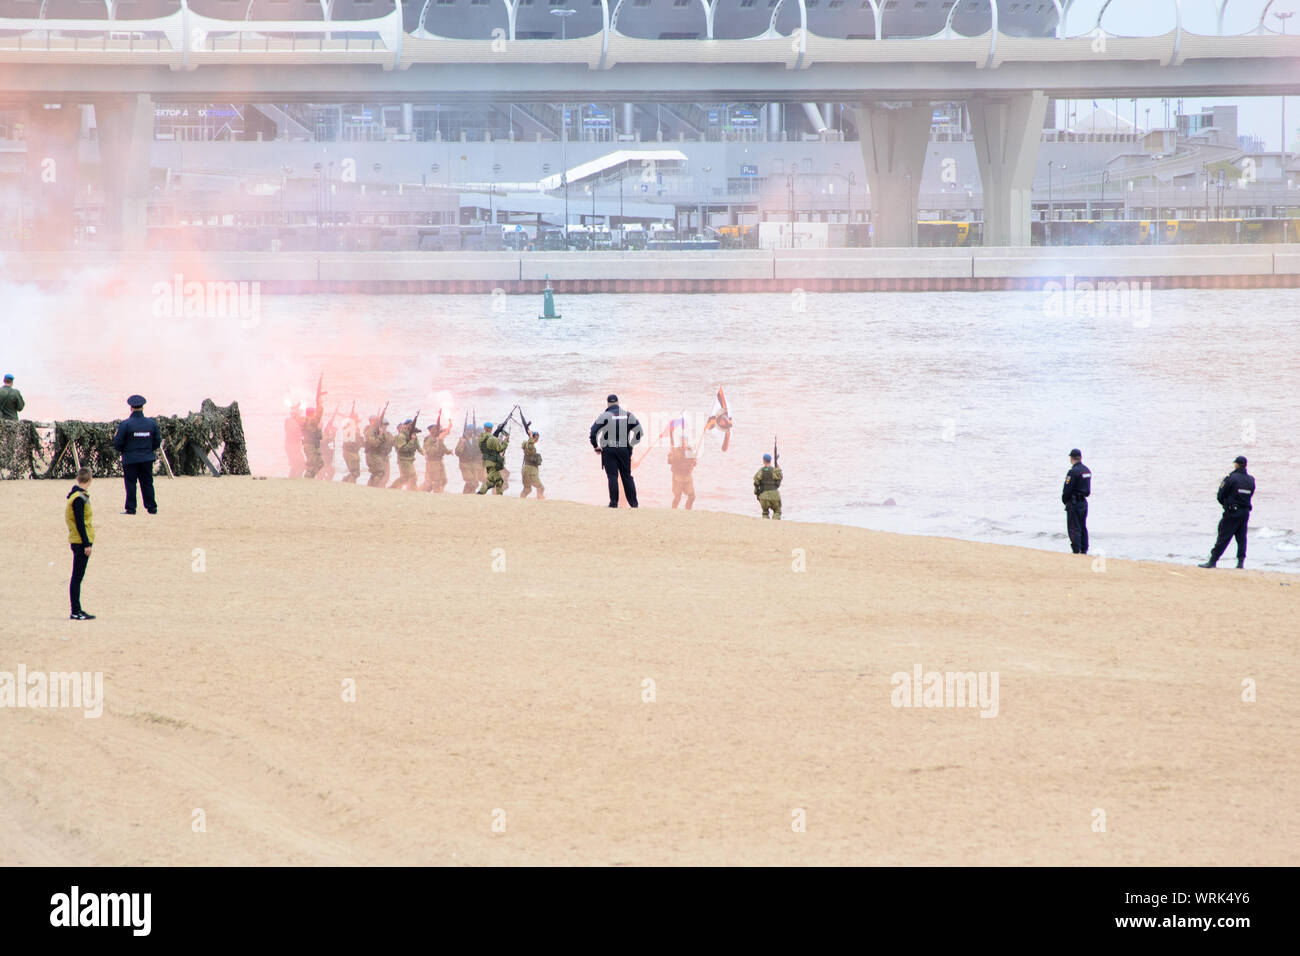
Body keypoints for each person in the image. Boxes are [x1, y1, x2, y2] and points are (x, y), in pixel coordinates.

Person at [1199, 455, 1255, 569]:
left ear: (1236, 464)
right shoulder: (1251, 479)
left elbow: (1220, 495)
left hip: (1232, 512)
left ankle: (1212, 561)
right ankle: (1240, 563)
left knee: (1223, 536)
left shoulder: (1230, 478)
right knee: (1241, 538)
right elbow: (1250, 494)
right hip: (1245, 513)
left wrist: (1227, 505)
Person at [589, 393, 642, 507]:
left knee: (612, 476)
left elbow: (593, 432)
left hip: (609, 450)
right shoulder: (628, 415)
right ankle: (634, 504)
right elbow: (639, 432)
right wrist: (630, 446)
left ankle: (613, 504)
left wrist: (595, 446)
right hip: (624, 450)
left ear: (608, 403)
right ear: (618, 403)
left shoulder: (604, 416)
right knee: (626, 476)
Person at [111, 394, 161, 515]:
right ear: (142, 408)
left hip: (130, 458)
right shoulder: (151, 424)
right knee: (147, 482)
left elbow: (118, 443)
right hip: (147, 458)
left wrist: (125, 451)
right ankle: (151, 507)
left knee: (130, 483)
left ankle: (131, 508)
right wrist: (148, 450)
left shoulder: (125, 424)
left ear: (131, 408)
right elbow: (157, 442)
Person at [65, 466, 96, 620]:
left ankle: (77, 609)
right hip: (80, 541)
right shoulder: (79, 498)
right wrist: (86, 544)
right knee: (77, 577)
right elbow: (80, 523)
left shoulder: (76, 495)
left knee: (77, 576)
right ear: (90, 480)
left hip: (78, 539)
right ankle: (75, 610)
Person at [1061, 448, 1091, 555]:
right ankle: (1084, 549)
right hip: (1083, 502)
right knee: (1082, 526)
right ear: (1080, 457)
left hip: (1074, 503)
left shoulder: (1073, 472)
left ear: (1071, 458)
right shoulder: (1087, 471)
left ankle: (1076, 550)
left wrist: (1065, 501)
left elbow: (1067, 489)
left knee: (1074, 527)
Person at [476, 422, 509, 495]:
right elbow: (500, 449)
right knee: (490, 481)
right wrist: (505, 442)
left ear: (484, 428)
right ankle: (481, 492)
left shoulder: (481, 439)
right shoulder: (493, 439)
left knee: (499, 481)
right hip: (493, 462)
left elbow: (486, 448)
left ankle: (499, 495)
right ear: (491, 429)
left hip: (486, 461)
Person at [390, 420, 421, 490]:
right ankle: (394, 487)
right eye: (401, 428)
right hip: (403, 460)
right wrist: (411, 441)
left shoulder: (406, 436)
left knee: (412, 477)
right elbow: (402, 448)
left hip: (409, 459)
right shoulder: (398, 437)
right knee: (405, 477)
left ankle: (412, 489)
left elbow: (416, 445)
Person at [364, 414, 392, 488]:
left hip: (382, 456)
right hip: (374, 455)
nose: (385, 426)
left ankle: (374, 487)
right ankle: (374, 487)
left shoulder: (387, 434)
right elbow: (374, 443)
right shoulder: (371, 432)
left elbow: (390, 444)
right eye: (383, 424)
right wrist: (380, 436)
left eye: (386, 425)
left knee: (383, 475)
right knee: (379, 473)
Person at [667, 440, 697, 509]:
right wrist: (672, 455)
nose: (684, 445)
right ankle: (673, 510)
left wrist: (694, 461)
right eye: (683, 443)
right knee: (677, 497)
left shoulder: (690, 451)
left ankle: (688, 509)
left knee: (692, 496)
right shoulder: (675, 451)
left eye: (685, 443)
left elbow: (694, 463)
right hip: (678, 477)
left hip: (687, 477)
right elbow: (669, 461)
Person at [421, 425, 452, 493]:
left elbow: (442, 447)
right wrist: (438, 442)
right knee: (436, 480)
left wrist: (448, 451)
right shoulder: (428, 439)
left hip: (439, 461)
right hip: (432, 462)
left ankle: (437, 491)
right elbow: (430, 451)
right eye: (436, 429)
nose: (439, 431)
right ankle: (435, 492)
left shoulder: (437, 438)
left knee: (444, 480)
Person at [753, 453, 782, 519]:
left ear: (763, 460)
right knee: (777, 512)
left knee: (765, 512)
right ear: (770, 461)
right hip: (774, 495)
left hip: (764, 495)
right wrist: (778, 467)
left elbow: (756, 482)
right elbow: (780, 478)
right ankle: (775, 524)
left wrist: (757, 494)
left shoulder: (761, 471)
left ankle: (766, 525)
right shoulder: (775, 470)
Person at [455, 424, 480, 494]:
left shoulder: (475, 440)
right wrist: (462, 444)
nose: (471, 432)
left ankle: (471, 494)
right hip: (464, 464)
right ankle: (465, 494)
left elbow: (478, 452)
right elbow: (457, 452)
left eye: (472, 430)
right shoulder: (462, 440)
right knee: (470, 481)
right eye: (469, 430)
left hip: (473, 464)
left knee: (476, 483)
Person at [339, 407, 363, 483]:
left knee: (355, 473)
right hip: (350, 452)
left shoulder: (353, 428)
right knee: (355, 473)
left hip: (352, 452)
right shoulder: (350, 429)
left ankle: (346, 481)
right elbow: (352, 441)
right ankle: (348, 483)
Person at [301, 405, 325, 478]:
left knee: (320, 463)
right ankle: (308, 479)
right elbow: (318, 416)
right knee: (312, 465)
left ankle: (311, 477)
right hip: (310, 445)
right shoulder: (310, 421)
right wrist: (319, 404)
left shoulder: (308, 422)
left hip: (313, 444)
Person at [520, 431, 545, 499]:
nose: (537, 439)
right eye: (536, 437)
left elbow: (529, 446)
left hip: (526, 470)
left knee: (527, 489)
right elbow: (531, 446)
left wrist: (531, 437)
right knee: (540, 487)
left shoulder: (526, 445)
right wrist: (531, 436)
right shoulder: (530, 445)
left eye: (537, 438)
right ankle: (540, 500)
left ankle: (522, 499)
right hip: (531, 470)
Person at [284, 404, 305, 479]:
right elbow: (298, 433)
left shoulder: (290, 421)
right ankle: (296, 479)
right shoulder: (292, 422)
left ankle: (292, 478)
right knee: (300, 464)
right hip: (293, 446)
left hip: (291, 445)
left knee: (296, 464)